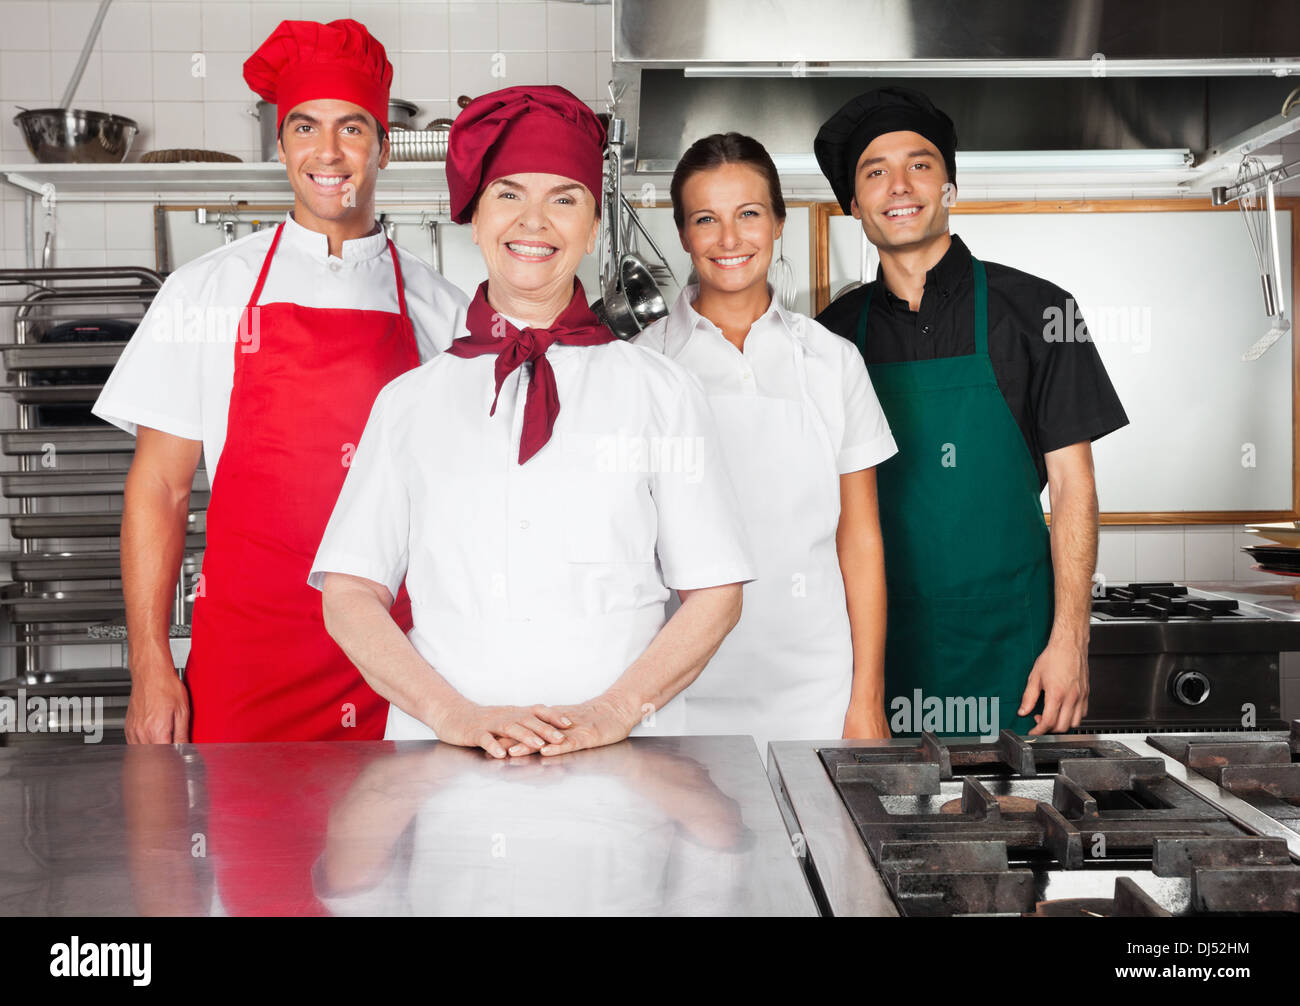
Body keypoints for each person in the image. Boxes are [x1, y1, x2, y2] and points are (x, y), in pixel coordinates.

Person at [310, 85, 755, 758]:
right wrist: (451, 713)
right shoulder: (408, 401)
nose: (535, 222)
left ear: (595, 226)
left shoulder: (663, 393)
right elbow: (348, 592)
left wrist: (611, 713)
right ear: (475, 216)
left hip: (621, 765)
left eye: (565, 199)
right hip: (446, 768)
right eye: (509, 194)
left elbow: (716, 593)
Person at [94, 19, 469, 743]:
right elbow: (161, 488)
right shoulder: (204, 292)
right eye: (305, 127)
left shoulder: (441, 308)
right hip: (247, 655)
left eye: (352, 129)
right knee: (244, 850)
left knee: (405, 853)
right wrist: (149, 665)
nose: (327, 153)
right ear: (282, 145)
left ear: (384, 148)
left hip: (399, 660)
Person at [814, 87, 1129, 736]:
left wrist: (1072, 640)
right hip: (874, 658)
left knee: (1021, 830)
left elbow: (1074, 487)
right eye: (875, 172)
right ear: (853, 205)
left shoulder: (1044, 312)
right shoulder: (829, 337)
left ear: (950, 187)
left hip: (1015, 652)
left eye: (920, 164)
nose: (900, 185)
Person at [632, 133, 897, 751]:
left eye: (749, 214)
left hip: (817, 689)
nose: (730, 240)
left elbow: (859, 539)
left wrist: (866, 699)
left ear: (778, 222)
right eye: (707, 219)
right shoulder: (641, 365)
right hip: (681, 689)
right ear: (683, 234)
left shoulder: (832, 360)